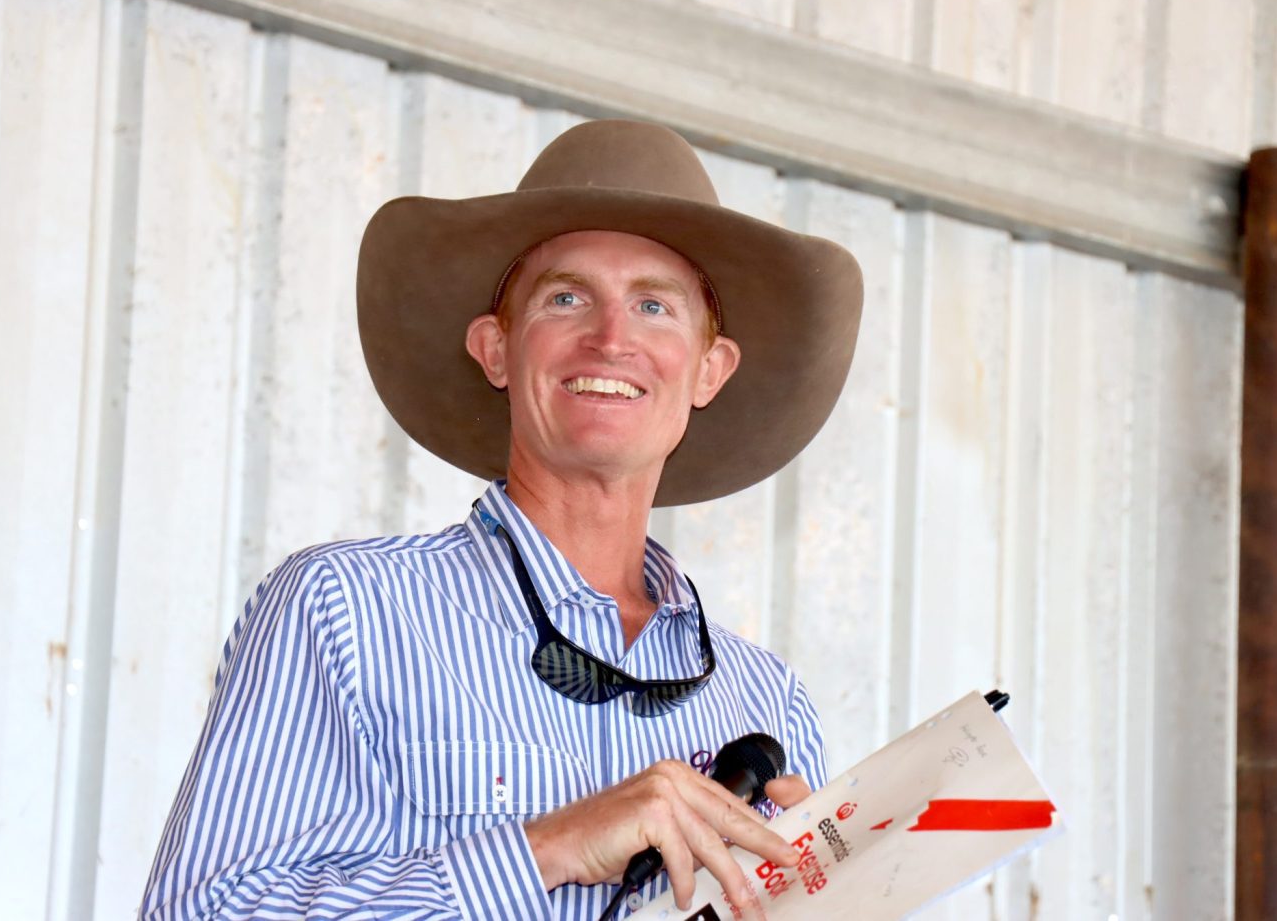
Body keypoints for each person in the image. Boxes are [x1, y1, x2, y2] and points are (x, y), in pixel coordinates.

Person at [141, 119, 863, 920]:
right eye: (566, 297)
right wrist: (549, 847)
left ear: (707, 370)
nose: (611, 337)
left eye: (654, 305)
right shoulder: (342, 610)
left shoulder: (768, 700)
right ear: (496, 349)